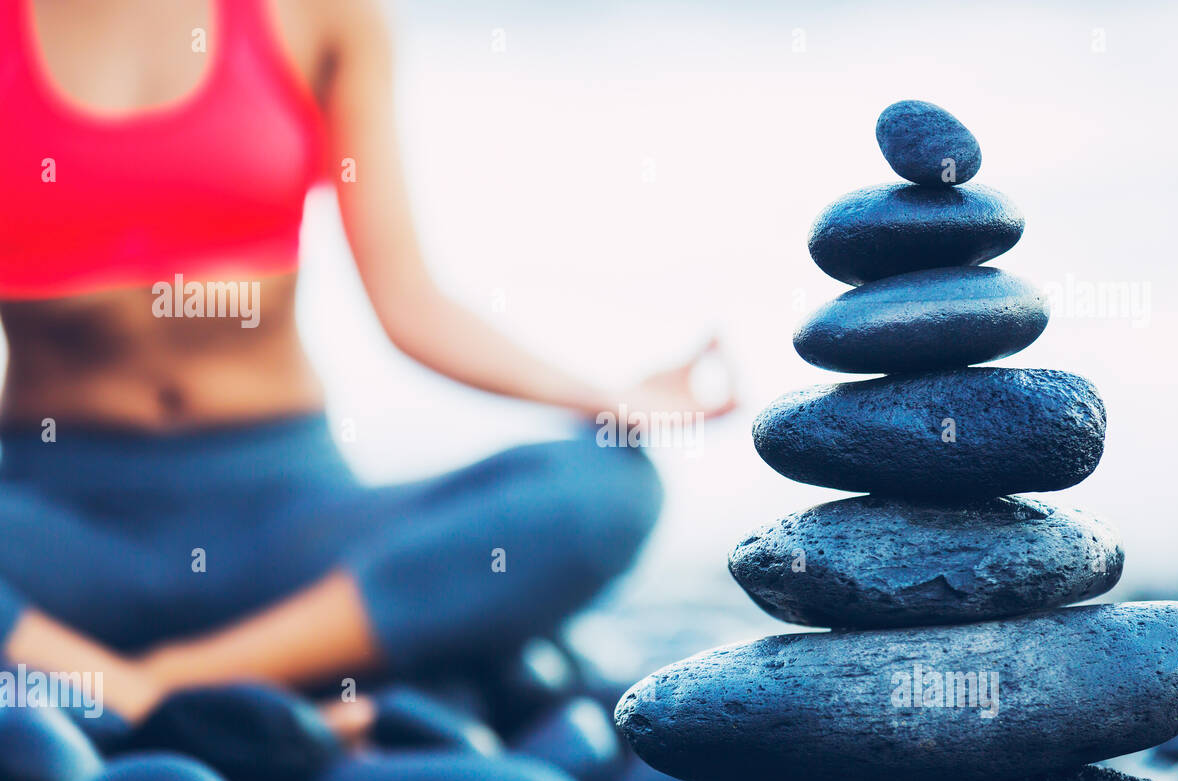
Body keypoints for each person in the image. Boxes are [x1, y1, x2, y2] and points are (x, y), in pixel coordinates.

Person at [0, 0, 734, 729]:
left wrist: (604, 396)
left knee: (602, 488)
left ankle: (157, 686)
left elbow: (408, 302)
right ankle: (262, 689)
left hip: (289, 524)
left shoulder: (320, 14)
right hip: (62, 525)